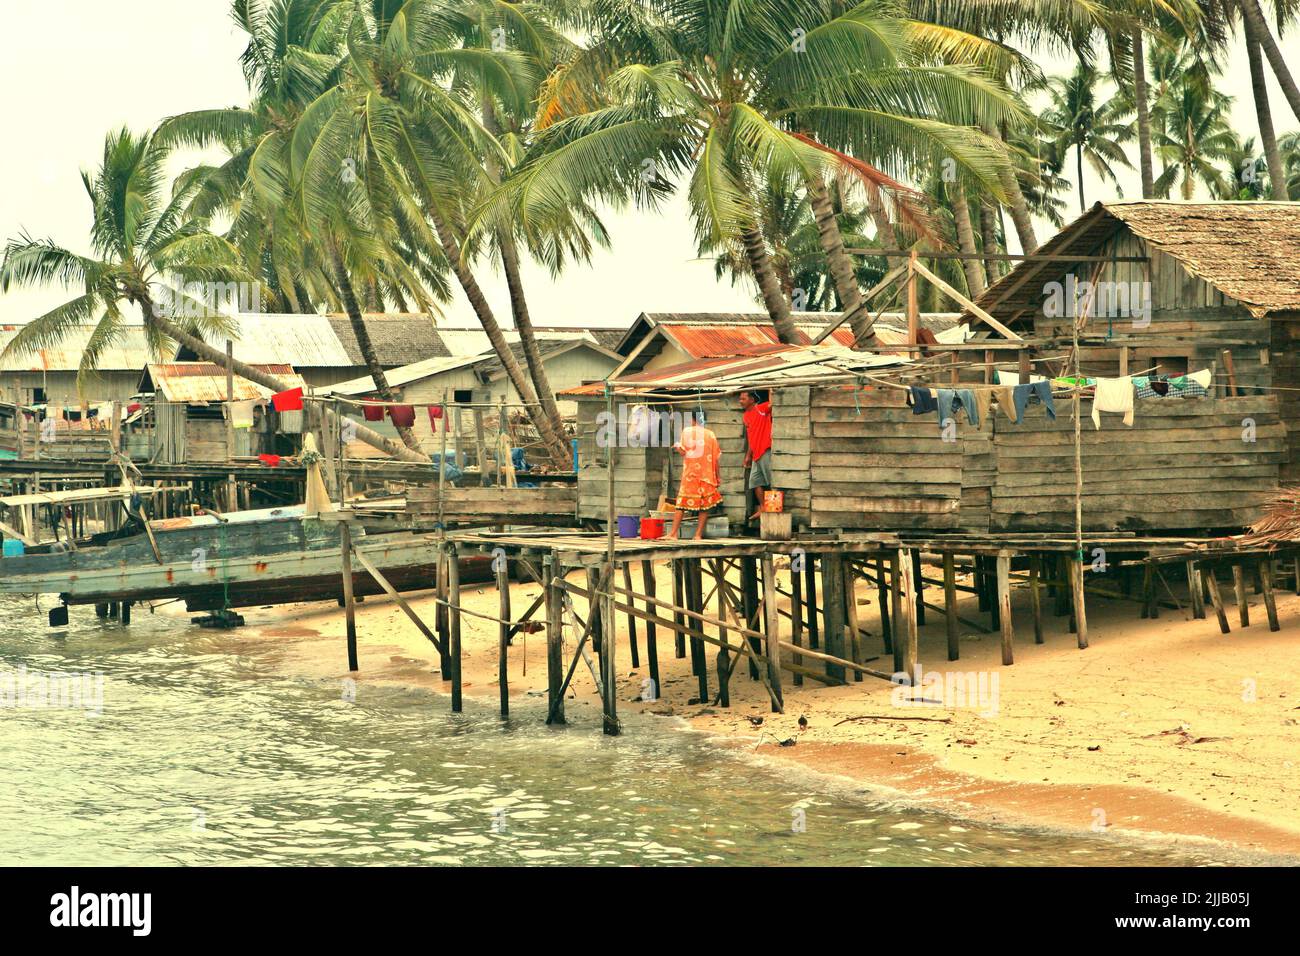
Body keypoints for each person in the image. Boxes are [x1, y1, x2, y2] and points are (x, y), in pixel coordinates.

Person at [668, 413, 721, 540]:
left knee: (681, 503)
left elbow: (682, 451)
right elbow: (716, 458)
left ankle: (673, 534)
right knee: (705, 505)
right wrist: (717, 477)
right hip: (707, 475)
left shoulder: (687, 431)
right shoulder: (711, 435)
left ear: (692, 419)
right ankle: (698, 535)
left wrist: (677, 446)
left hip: (691, 474)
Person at [740, 389, 772, 520]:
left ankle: (772, 508)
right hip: (755, 454)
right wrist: (748, 456)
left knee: (770, 481)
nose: (740, 401)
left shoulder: (761, 408)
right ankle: (763, 507)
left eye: (743, 399)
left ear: (752, 400)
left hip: (765, 449)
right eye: (740, 399)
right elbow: (750, 436)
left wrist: (771, 389)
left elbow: (772, 404)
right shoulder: (745, 416)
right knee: (754, 482)